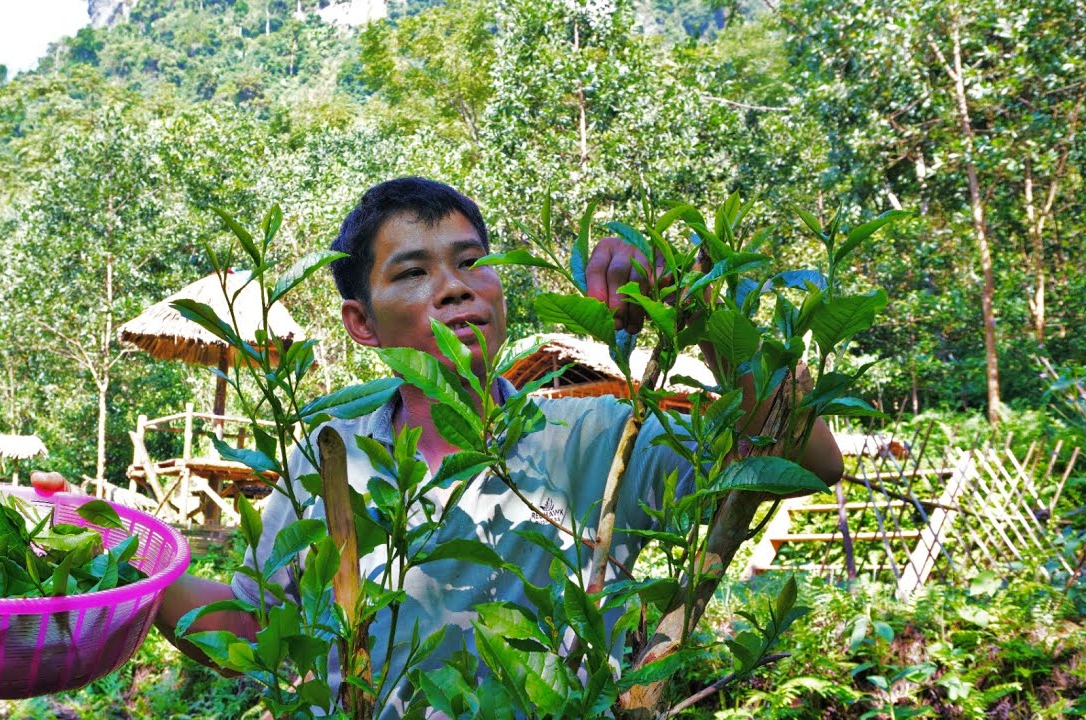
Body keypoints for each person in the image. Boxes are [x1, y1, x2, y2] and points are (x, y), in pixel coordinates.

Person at [155, 177, 843, 710]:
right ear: (361, 323)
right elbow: (248, 628)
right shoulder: (326, 458)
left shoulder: (596, 437)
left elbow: (810, 462)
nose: (454, 287)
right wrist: (132, 572)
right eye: (412, 272)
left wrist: (701, 310)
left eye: (472, 262)